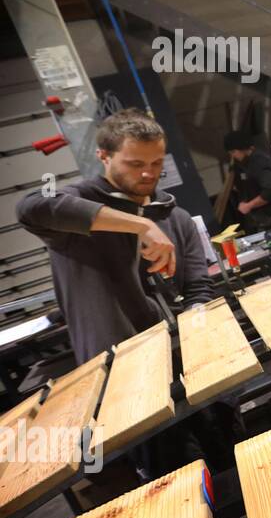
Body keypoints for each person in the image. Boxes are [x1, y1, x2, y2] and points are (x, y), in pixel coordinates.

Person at [18, 108, 213, 364]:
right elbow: (32, 206)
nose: (148, 173)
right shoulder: (77, 205)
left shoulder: (177, 218)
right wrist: (140, 225)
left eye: (156, 163)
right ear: (104, 156)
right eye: (135, 164)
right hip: (116, 364)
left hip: (181, 353)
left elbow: (197, 287)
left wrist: (198, 329)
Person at [223, 130, 271, 230]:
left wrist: (249, 206)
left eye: (234, 152)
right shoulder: (244, 164)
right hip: (264, 221)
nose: (233, 156)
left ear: (243, 148)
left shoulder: (260, 162)